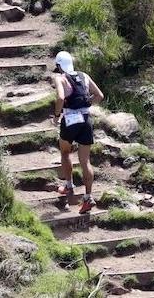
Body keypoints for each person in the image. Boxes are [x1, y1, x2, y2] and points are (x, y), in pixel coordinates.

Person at [52, 51, 104, 214]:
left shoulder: (60, 78)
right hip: (86, 120)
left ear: (59, 66)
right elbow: (99, 95)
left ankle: (68, 185)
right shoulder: (84, 76)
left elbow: (60, 98)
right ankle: (88, 197)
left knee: (65, 152)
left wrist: (56, 115)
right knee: (85, 161)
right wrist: (87, 102)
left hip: (70, 120)